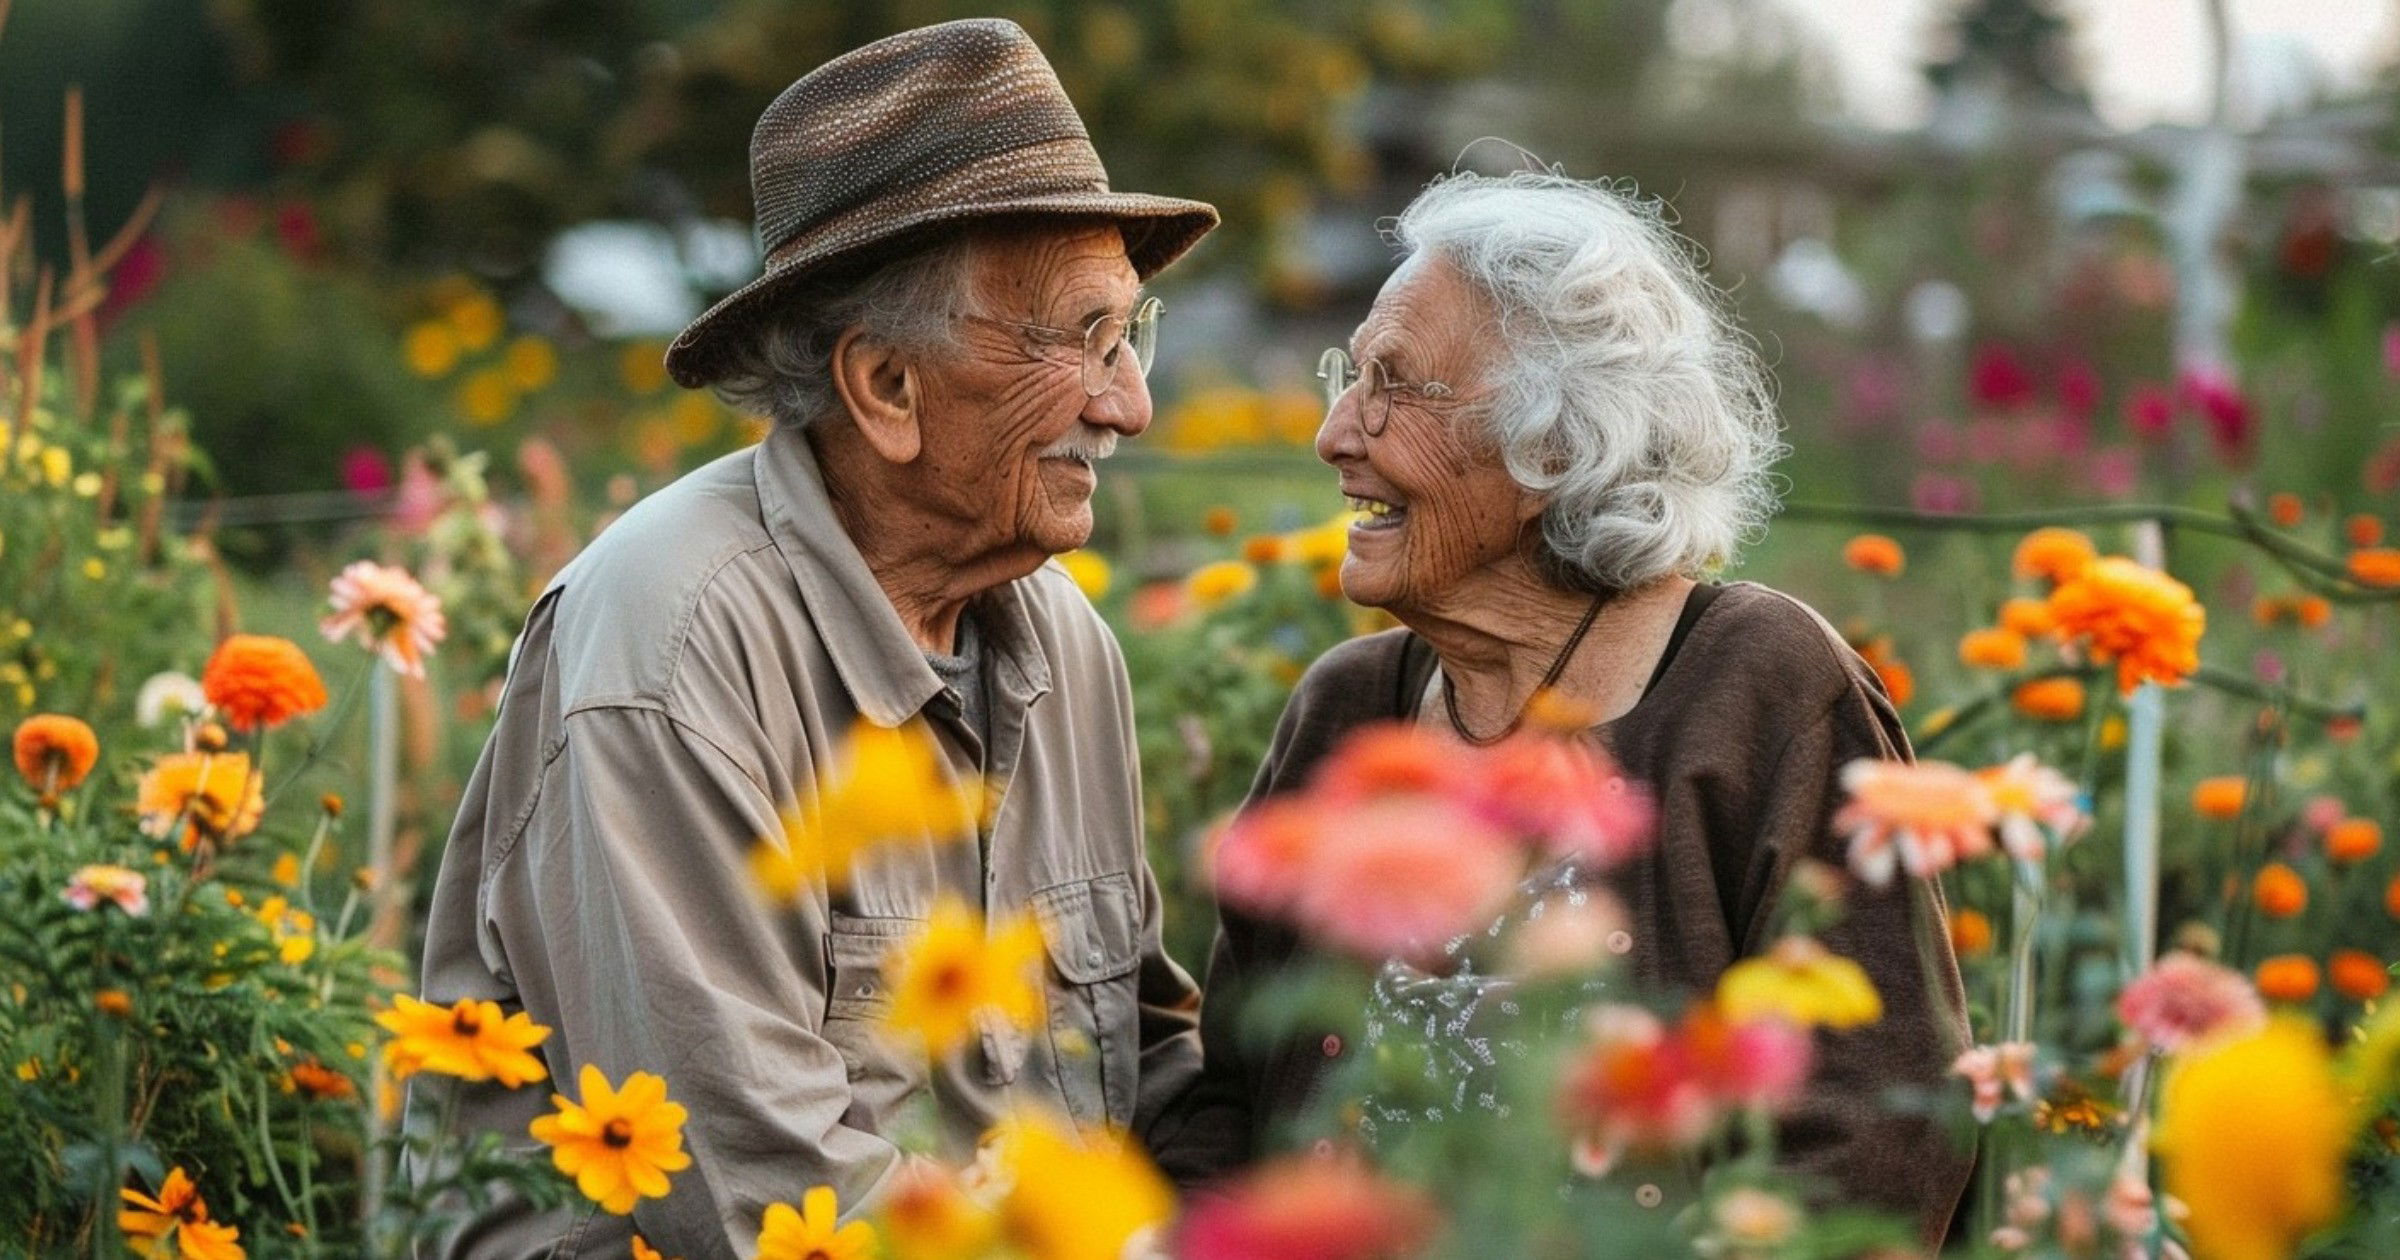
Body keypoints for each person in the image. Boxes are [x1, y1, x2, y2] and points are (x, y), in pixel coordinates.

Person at [408, 20, 1218, 1257]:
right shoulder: (673, 643)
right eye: (1084, 342)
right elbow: (766, 1202)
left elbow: (1148, 1074)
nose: (1132, 405)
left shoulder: (1066, 643)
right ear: (885, 388)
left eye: (1132, 335)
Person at [1149, 169, 1973, 1241]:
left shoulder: (1765, 686)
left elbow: (1883, 1133)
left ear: (1552, 444)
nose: (1337, 433)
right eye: (1346, 380)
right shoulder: (1348, 714)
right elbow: (1234, 1092)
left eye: (1393, 386)